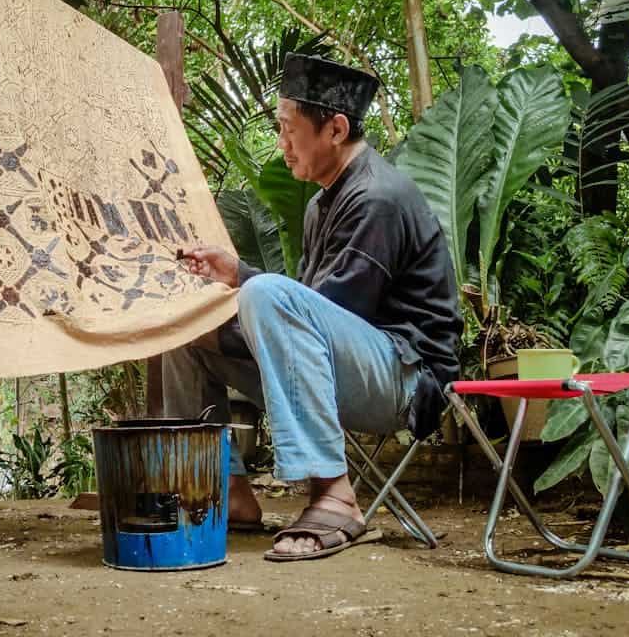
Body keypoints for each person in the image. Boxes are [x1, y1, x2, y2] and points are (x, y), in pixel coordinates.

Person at [165, 52, 462, 562]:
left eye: (288, 130)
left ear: (336, 129)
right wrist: (232, 279)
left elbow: (318, 312)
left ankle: (335, 495)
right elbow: (307, 315)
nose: (281, 144)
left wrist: (245, 280)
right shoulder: (321, 202)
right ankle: (228, 491)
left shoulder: (376, 197)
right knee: (187, 332)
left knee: (261, 295)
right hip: (341, 366)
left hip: (406, 379)